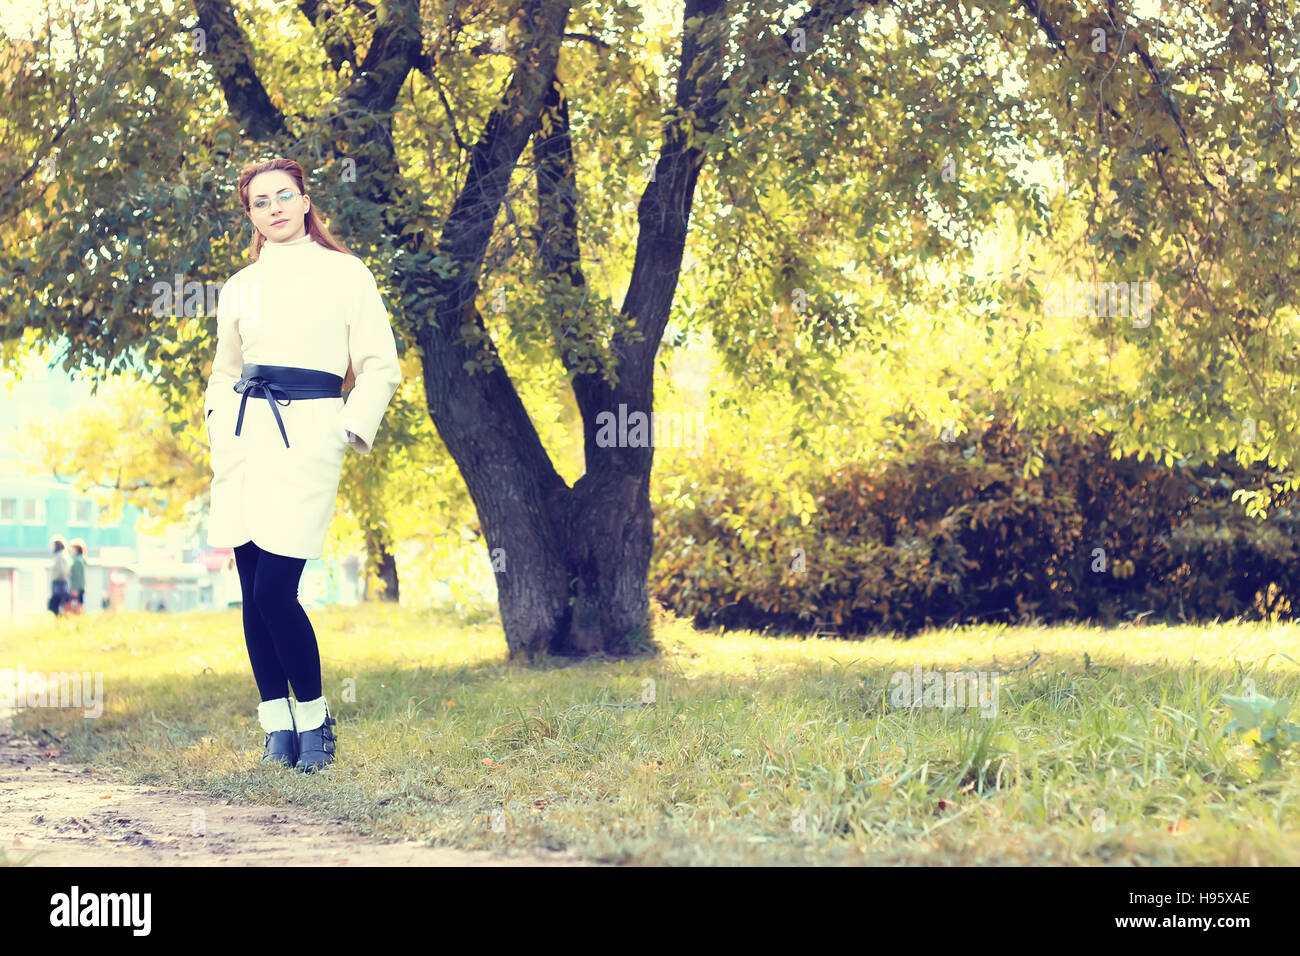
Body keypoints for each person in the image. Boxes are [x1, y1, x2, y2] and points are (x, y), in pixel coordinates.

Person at [204, 157, 402, 773]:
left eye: (283, 196)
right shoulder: (240, 285)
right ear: (251, 216)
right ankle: (277, 729)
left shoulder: (346, 274)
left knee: (275, 591)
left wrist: (345, 428)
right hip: (244, 438)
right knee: (250, 594)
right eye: (260, 203)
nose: (275, 209)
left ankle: (316, 721)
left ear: (305, 198)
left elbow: (380, 366)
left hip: (310, 435)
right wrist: (217, 421)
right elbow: (225, 369)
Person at [48, 536, 71, 615]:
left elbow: (61, 571)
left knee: (54, 605)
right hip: (62, 583)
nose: (51, 547)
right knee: (58, 605)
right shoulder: (64, 555)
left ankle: (59, 621)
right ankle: (60, 620)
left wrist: (55, 578)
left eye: (52, 545)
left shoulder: (59, 556)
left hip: (59, 583)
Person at [68, 539, 87, 608]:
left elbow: (78, 576)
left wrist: (75, 589)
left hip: (76, 588)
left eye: (72, 549)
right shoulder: (81, 559)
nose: (70, 550)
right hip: (80, 587)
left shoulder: (77, 561)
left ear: (76, 549)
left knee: (76, 605)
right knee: (79, 604)